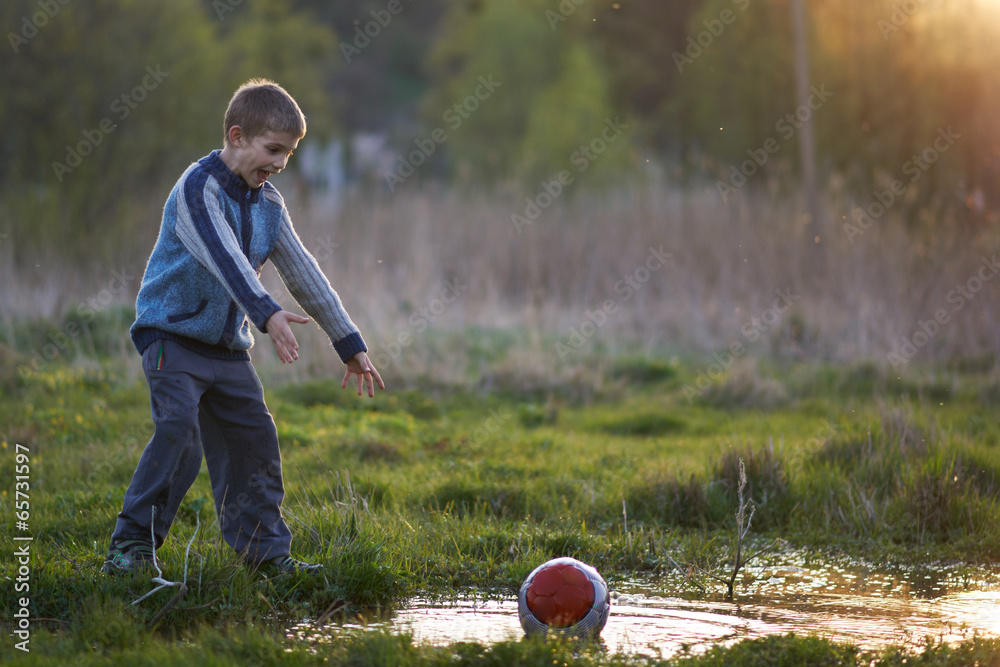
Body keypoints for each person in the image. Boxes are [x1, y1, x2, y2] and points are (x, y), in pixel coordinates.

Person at [102, 78, 383, 576]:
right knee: (178, 430)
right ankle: (131, 548)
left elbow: (304, 273)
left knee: (255, 440)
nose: (280, 164)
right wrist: (268, 312)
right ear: (236, 136)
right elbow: (225, 259)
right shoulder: (197, 187)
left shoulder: (269, 204)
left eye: (290, 154)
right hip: (172, 337)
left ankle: (266, 556)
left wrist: (349, 343)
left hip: (228, 351)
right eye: (273, 149)